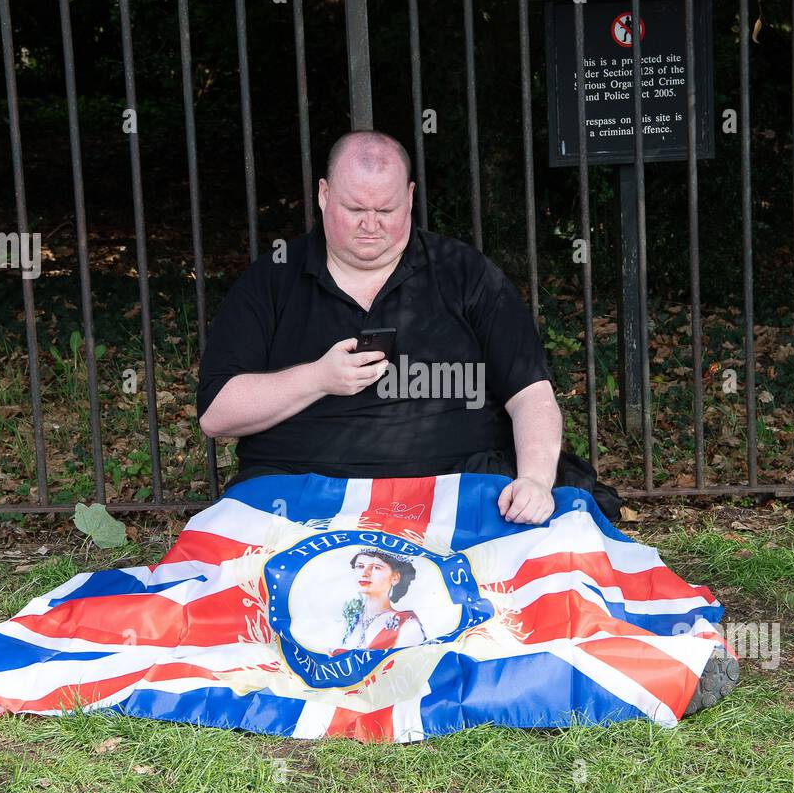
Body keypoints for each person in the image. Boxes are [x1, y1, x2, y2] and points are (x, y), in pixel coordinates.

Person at [197, 129, 622, 525]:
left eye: (386, 209)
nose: (371, 224)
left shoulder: (465, 272)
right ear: (324, 195)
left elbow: (530, 392)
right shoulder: (272, 278)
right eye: (355, 208)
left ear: (411, 197)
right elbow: (217, 415)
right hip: (297, 496)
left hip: (462, 492)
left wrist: (534, 479)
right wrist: (317, 378)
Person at [337, 550, 426, 650]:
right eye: (360, 566)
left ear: (395, 578)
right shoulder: (348, 622)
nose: (364, 573)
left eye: (376, 568)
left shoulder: (407, 623)